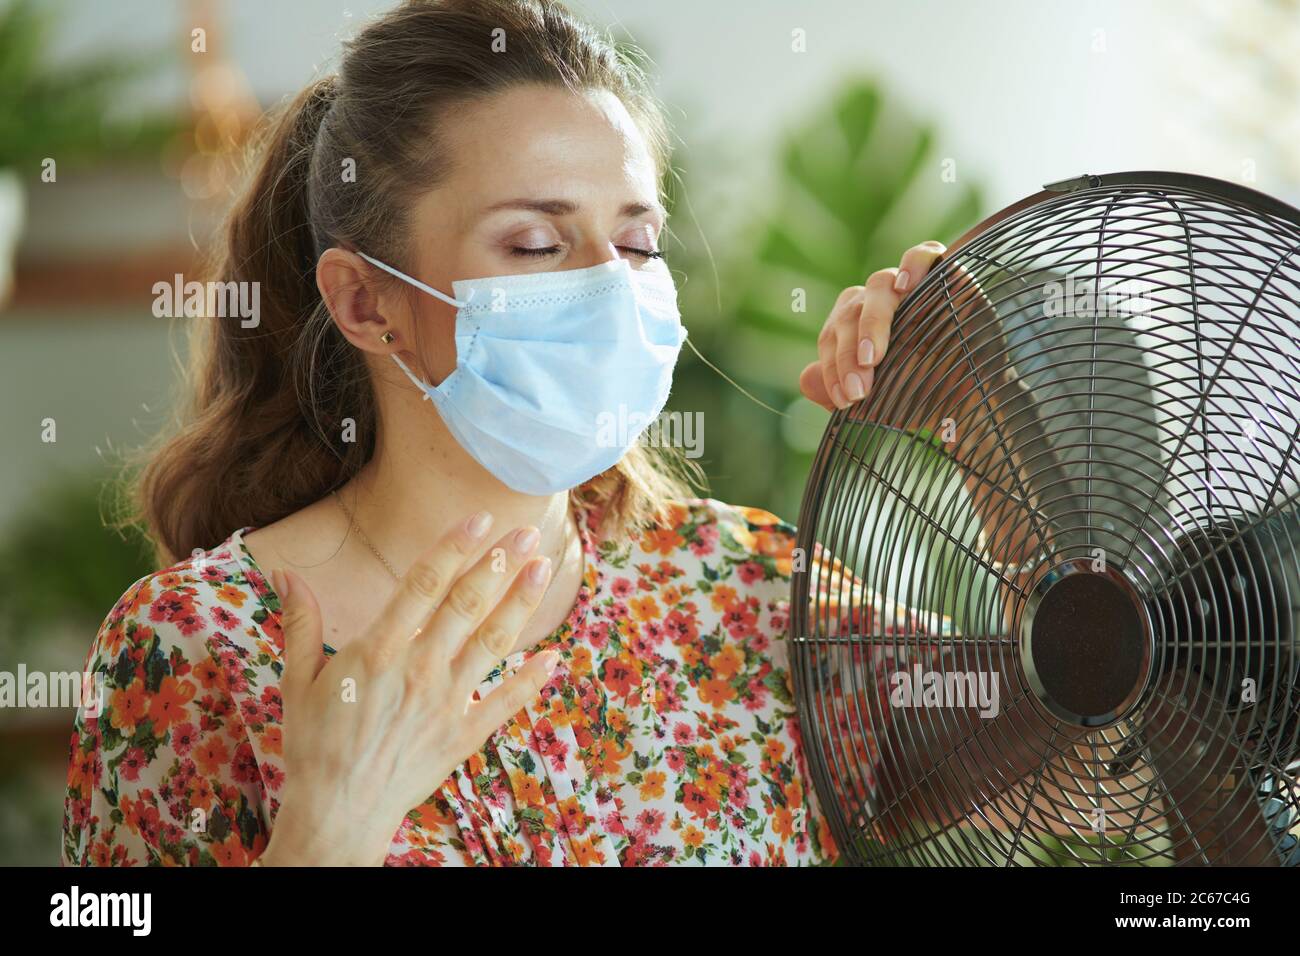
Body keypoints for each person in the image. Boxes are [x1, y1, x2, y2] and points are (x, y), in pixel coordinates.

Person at [61, 0, 947, 867]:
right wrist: (323, 839)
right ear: (366, 303)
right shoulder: (197, 643)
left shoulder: (743, 588)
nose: (610, 286)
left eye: (637, 245)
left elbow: (1076, 725)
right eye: (534, 244)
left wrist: (988, 402)